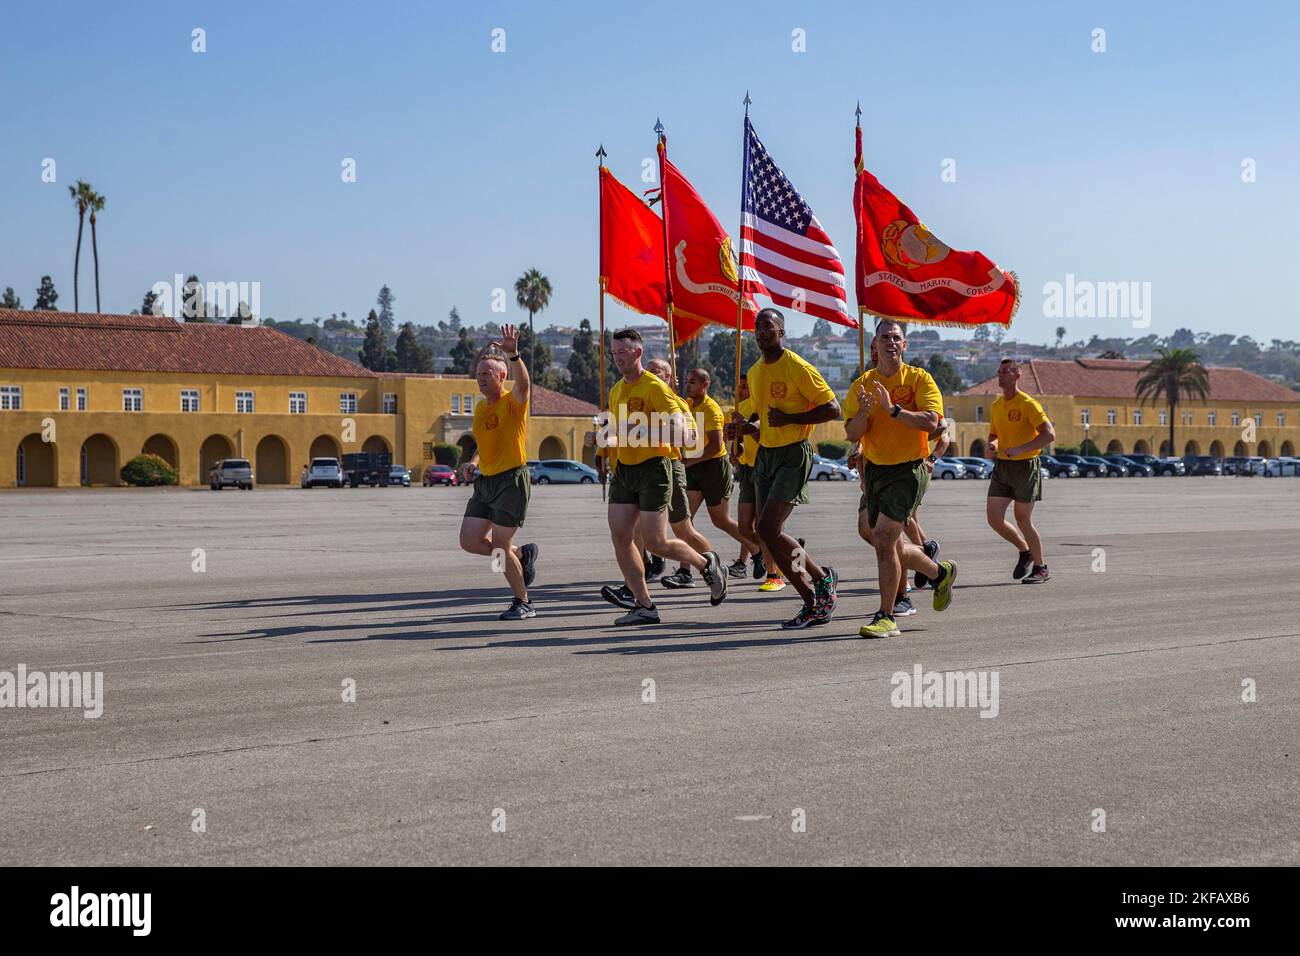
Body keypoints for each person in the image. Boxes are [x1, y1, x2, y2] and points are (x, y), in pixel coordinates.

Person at [584, 329, 727, 624]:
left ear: (638, 353)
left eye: (622, 353)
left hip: (655, 468)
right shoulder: (616, 390)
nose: (617, 358)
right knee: (621, 537)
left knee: (656, 543)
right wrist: (599, 439)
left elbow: (685, 432)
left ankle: (705, 565)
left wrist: (642, 431)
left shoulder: (655, 388)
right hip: (625, 470)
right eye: (613, 353)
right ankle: (644, 605)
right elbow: (617, 435)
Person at [724, 308, 840, 629]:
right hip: (765, 456)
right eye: (758, 327)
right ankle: (814, 595)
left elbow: (832, 408)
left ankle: (819, 585)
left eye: (769, 327)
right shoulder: (755, 372)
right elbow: (763, 417)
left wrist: (791, 419)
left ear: (782, 332)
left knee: (769, 530)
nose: (762, 332)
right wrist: (745, 429)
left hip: (793, 455)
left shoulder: (798, 367)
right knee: (764, 533)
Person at [844, 319, 956, 638]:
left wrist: (893, 410)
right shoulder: (862, 384)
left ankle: (887, 614)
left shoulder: (919, 378)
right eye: (884, 337)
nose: (890, 342)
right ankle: (937, 572)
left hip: (909, 469)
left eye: (896, 338)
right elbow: (851, 432)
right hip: (876, 469)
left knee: (883, 538)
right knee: (873, 533)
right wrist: (865, 413)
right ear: (875, 345)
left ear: (904, 345)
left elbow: (932, 422)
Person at [457, 325, 540, 620]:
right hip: (486, 483)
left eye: (487, 374)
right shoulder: (481, 408)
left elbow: (525, 385)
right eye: (478, 374)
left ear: (502, 376)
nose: (480, 379)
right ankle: (521, 555)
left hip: (511, 481)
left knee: (500, 547)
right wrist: (474, 463)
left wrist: (513, 354)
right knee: (469, 541)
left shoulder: (513, 402)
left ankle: (523, 601)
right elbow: (484, 443)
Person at [644, 358, 718, 591]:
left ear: (668, 378)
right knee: (633, 529)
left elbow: (692, 439)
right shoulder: (640, 398)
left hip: (671, 465)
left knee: (684, 530)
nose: (650, 375)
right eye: (648, 371)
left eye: (656, 372)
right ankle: (637, 581)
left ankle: (711, 565)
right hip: (643, 470)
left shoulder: (677, 403)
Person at [682, 367, 763, 575]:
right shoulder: (689, 406)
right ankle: (685, 571)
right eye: (687, 381)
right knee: (685, 520)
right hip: (693, 467)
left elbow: (717, 446)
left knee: (721, 520)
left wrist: (690, 461)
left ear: (705, 385)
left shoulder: (711, 409)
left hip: (712, 468)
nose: (687, 385)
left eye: (693, 382)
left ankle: (758, 551)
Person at [985, 358, 1055, 583]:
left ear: (1017, 375)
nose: (1000, 375)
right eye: (999, 371)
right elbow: (994, 434)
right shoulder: (996, 406)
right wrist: (992, 445)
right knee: (994, 519)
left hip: (1026, 466)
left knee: (1023, 519)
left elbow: (1048, 435)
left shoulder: (1028, 403)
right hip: (1003, 466)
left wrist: (1021, 449)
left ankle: (1041, 567)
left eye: (1005, 371)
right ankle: (1024, 551)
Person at [728, 376, 784, 589]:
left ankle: (774, 572)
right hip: (746, 470)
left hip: (765, 468)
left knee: (764, 525)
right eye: (739, 386)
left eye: (745, 386)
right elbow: (739, 443)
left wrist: (746, 426)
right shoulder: (738, 407)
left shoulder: (761, 405)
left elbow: (763, 437)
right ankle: (762, 552)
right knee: (744, 527)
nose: (742, 389)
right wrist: (735, 452)